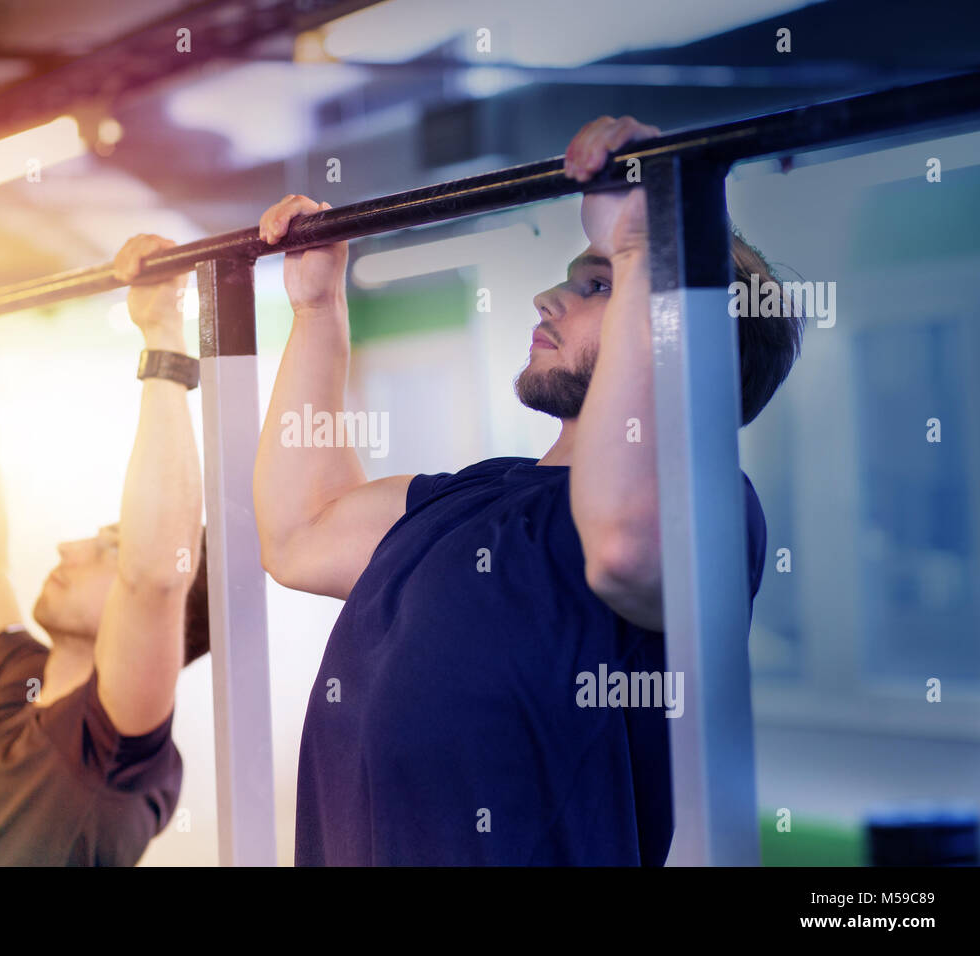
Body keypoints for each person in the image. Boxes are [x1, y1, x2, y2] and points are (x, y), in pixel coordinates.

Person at [254, 116, 805, 865]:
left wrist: (654, 242)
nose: (549, 297)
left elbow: (618, 549)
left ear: (692, 341)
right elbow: (299, 532)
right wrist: (317, 310)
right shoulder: (480, 496)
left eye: (597, 284)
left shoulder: (703, 506)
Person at [0, 234, 208, 866]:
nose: (70, 548)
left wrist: (163, 335)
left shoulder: (113, 744)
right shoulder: (21, 682)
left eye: (108, 549)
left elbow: (153, 578)